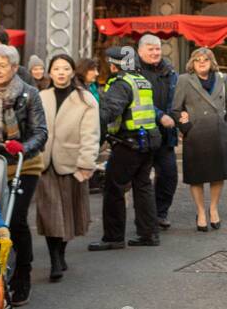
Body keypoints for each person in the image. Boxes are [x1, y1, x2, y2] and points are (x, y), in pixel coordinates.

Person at [0, 45, 47, 306]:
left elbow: (41, 132)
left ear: (14, 68)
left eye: (2, 66)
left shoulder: (29, 95)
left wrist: (23, 147)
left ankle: (23, 274)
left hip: (23, 164)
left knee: (15, 220)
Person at [91, 46, 160, 251]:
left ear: (114, 65)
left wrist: (93, 118)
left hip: (127, 143)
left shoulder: (121, 84)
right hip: (147, 141)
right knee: (143, 187)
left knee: (114, 188)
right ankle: (149, 234)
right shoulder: (142, 81)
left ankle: (113, 237)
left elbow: (110, 112)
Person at [36, 54, 99, 281]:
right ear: (50, 72)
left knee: (68, 215)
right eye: (56, 69)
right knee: (49, 214)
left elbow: (91, 135)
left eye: (65, 68)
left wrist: (86, 165)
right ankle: (54, 259)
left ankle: (61, 252)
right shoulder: (41, 96)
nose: (61, 73)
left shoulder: (85, 100)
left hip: (72, 165)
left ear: (72, 72)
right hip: (44, 164)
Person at [172, 46, 227, 231]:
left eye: (205, 60)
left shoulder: (223, 79)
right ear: (192, 63)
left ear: (211, 62)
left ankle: (213, 209)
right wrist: (185, 127)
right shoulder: (184, 80)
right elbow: (176, 108)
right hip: (196, 135)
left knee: (218, 175)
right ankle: (200, 212)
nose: (201, 63)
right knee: (196, 177)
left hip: (219, 132)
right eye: (197, 60)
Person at [135, 34, 179, 230]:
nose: (155, 52)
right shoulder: (133, 73)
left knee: (169, 176)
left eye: (157, 49)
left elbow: (177, 100)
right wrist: (160, 115)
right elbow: (137, 101)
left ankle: (160, 213)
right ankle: (145, 218)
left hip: (165, 135)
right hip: (141, 135)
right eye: (150, 49)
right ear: (140, 51)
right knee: (141, 180)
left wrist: (180, 119)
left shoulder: (170, 72)